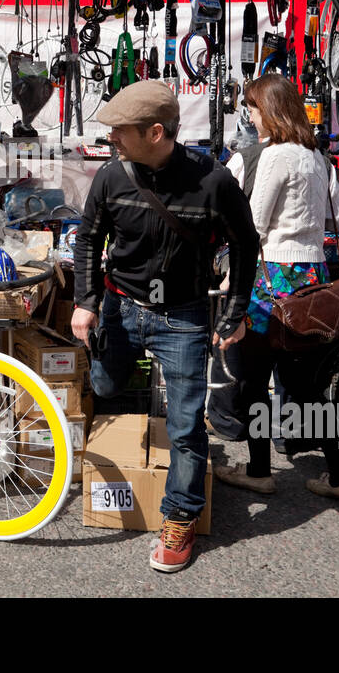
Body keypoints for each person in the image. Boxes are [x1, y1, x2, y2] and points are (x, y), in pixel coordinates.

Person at [71, 81, 259, 572]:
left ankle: (180, 517)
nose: (112, 138)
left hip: (184, 317)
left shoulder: (213, 180)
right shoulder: (111, 176)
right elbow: (89, 239)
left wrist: (235, 312)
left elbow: (245, 245)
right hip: (120, 307)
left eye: (120, 131)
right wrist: (86, 302)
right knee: (106, 383)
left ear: (155, 132)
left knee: (184, 427)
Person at [215, 75, 339, 502]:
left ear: (270, 111)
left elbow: (254, 226)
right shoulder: (317, 158)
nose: (250, 116)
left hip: (271, 278)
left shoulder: (276, 156)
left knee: (255, 378)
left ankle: (260, 470)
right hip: (312, 278)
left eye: (253, 108)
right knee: (310, 385)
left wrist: (231, 276)